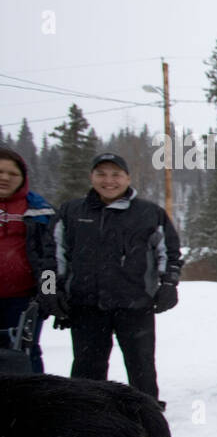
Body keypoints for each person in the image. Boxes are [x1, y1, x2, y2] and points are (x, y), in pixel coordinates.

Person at [54, 152, 181, 403]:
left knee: (141, 365)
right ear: (91, 177)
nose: (108, 181)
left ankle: (147, 412)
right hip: (86, 305)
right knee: (87, 366)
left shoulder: (149, 212)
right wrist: (50, 290)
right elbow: (53, 255)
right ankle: (86, 414)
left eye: (116, 174)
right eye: (101, 174)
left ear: (127, 178)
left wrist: (169, 283)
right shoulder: (71, 211)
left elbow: (170, 252)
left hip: (135, 304)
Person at [0, 147, 56, 372]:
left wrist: (49, 293)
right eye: (0, 172)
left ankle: (34, 404)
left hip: (24, 300)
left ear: (23, 178)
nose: (5, 177)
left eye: (12, 173)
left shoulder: (40, 210)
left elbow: (51, 259)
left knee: (25, 353)